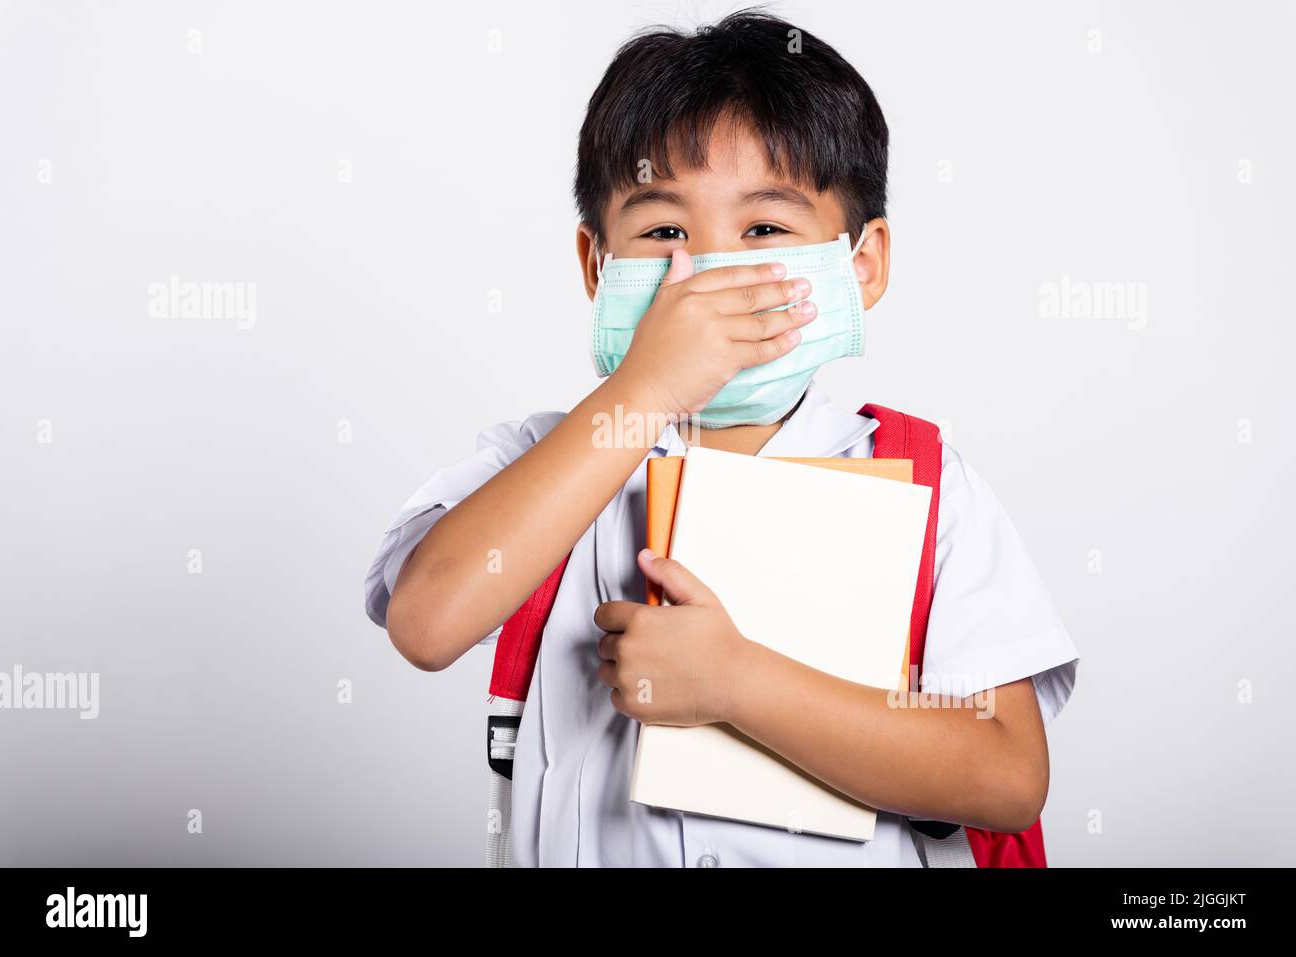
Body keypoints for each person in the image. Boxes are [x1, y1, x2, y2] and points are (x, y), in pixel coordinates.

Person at [364, 10, 1078, 867]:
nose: (706, 275)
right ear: (597, 265)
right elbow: (427, 620)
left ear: (862, 265)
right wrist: (648, 386)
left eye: (765, 229)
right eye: (665, 231)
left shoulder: (928, 485)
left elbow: (1004, 774)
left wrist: (739, 682)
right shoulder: (539, 466)